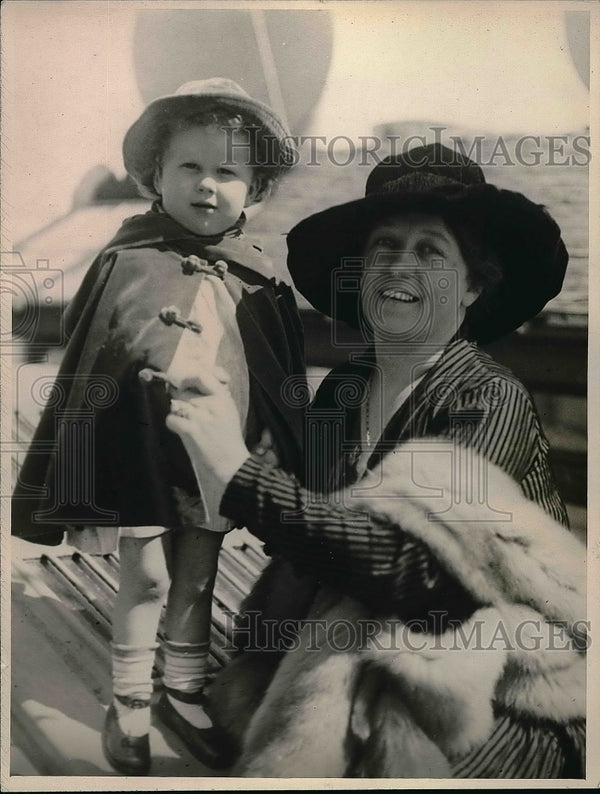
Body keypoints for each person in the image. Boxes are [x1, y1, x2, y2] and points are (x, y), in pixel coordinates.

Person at [165, 144, 586, 778]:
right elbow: (309, 531)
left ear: (473, 285)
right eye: (384, 248)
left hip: (495, 683)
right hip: (349, 652)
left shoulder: (486, 396)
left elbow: (414, 568)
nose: (400, 267)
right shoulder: (343, 390)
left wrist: (240, 473)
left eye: (430, 252)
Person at [11, 78, 305, 775]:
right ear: (156, 175)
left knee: (198, 579)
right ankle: (130, 701)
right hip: (134, 450)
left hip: (213, 460)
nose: (207, 185)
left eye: (227, 171)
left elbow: (276, 382)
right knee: (145, 578)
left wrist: (268, 454)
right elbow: (92, 362)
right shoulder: (125, 259)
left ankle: (184, 689)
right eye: (190, 167)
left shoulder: (260, 278)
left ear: (254, 188)